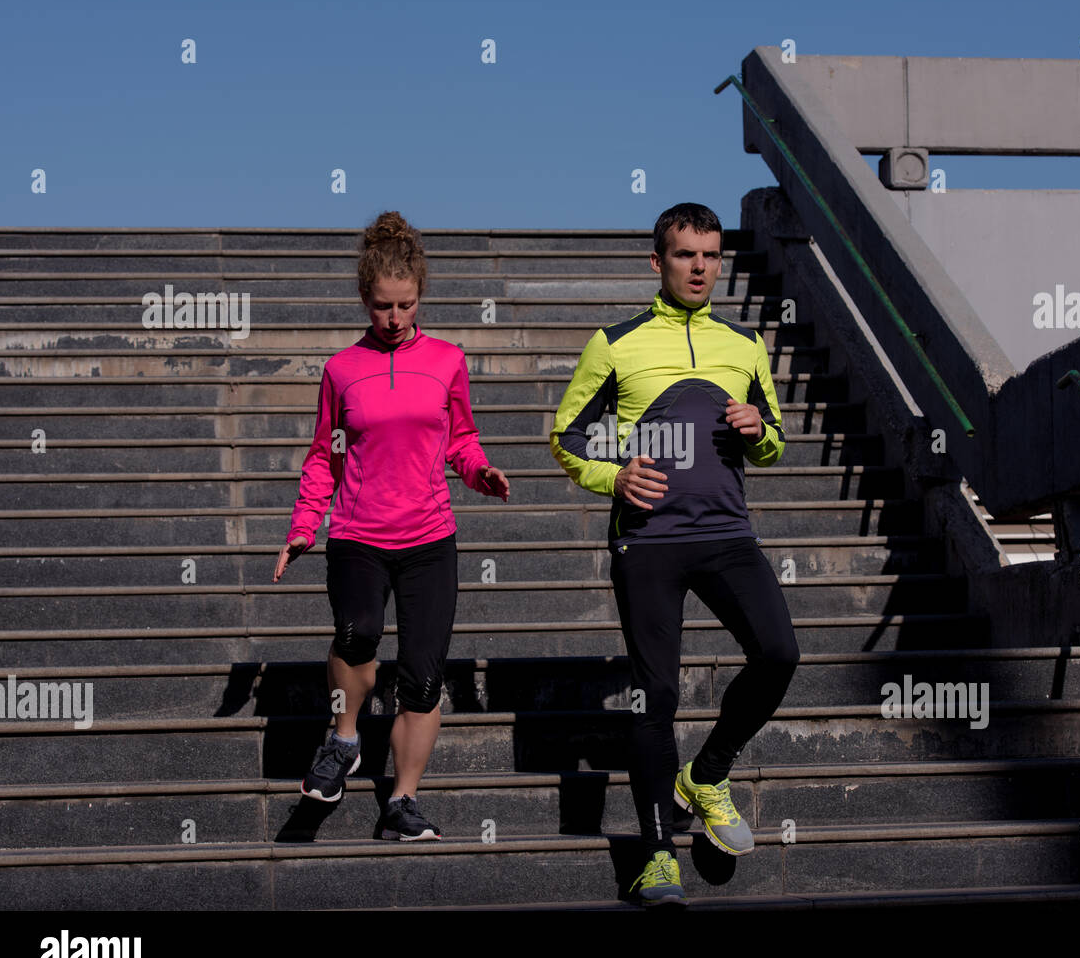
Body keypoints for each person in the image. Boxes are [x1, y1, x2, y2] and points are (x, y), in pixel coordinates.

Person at [550, 202, 799, 905]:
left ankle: (709, 772)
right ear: (657, 261)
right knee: (655, 696)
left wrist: (758, 430)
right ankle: (657, 856)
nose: (700, 268)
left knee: (779, 653)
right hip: (648, 540)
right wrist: (614, 474)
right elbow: (567, 436)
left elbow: (777, 441)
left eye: (711, 255)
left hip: (727, 534)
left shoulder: (745, 345)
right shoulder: (615, 342)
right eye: (686, 254)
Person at [273, 210, 509, 841]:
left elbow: (461, 438)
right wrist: (304, 525)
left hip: (430, 537)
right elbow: (326, 453)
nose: (395, 317)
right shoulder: (342, 369)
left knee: (424, 676)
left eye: (406, 304)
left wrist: (478, 470)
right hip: (357, 533)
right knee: (357, 635)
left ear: (420, 297)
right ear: (364, 299)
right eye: (383, 306)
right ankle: (344, 736)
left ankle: (402, 801)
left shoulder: (446, 361)